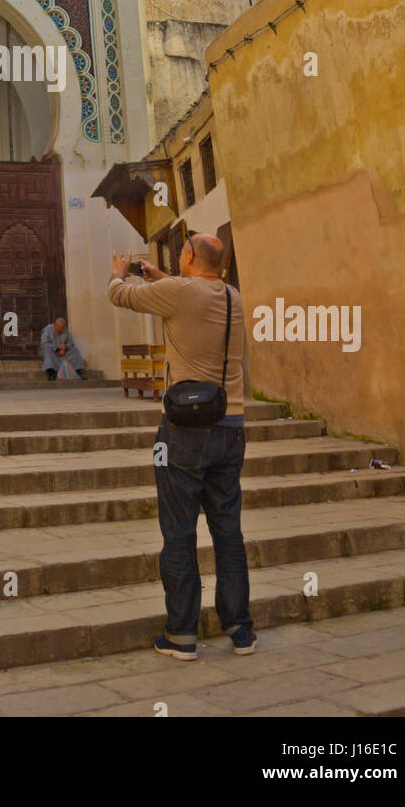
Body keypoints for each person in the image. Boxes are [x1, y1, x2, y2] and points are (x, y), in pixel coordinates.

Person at [108, 234, 255, 661]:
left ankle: (182, 634)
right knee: (228, 531)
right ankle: (239, 629)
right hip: (231, 428)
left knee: (178, 531)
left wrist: (120, 272)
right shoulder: (233, 297)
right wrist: (162, 277)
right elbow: (191, 292)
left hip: (180, 433)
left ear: (188, 255)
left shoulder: (175, 293)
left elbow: (119, 295)